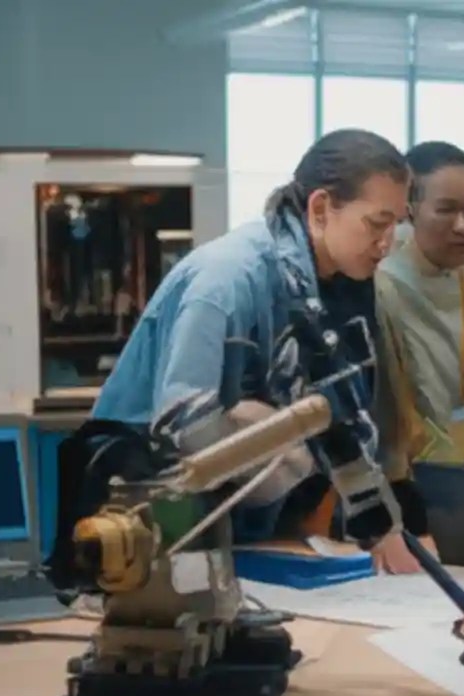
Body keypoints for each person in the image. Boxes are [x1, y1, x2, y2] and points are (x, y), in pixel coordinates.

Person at [89, 128, 417, 568]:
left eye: (397, 224)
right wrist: (288, 443)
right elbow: (184, 426)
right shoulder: (226, 279)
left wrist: (383, 530)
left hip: (243, 532)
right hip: (145, 533)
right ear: (320, 209)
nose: (388, 242)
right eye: (377, 223)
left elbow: (340, 421)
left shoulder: (338, 290)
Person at [367, 141, 464, 535]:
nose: (463, 225)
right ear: (410, 208)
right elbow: (391, 403)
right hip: (412, 484)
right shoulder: (381, 281)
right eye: (447, 209)